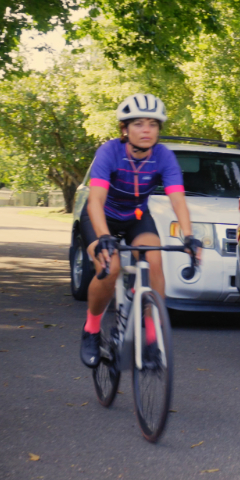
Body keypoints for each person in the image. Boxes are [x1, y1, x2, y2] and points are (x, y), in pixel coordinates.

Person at [79, 94, 203, 369]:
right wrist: (103, 238)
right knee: (109, 268)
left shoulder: (163, 156)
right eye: (138, 124)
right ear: (125, 129)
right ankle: (92, 329)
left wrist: (189, 236)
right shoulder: (109, 152)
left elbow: (178, 199)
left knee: (154, 263)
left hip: (135, 217)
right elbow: (95, 201)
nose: (146, 130)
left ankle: (150, 338)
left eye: (152, 124)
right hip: (101, 218)